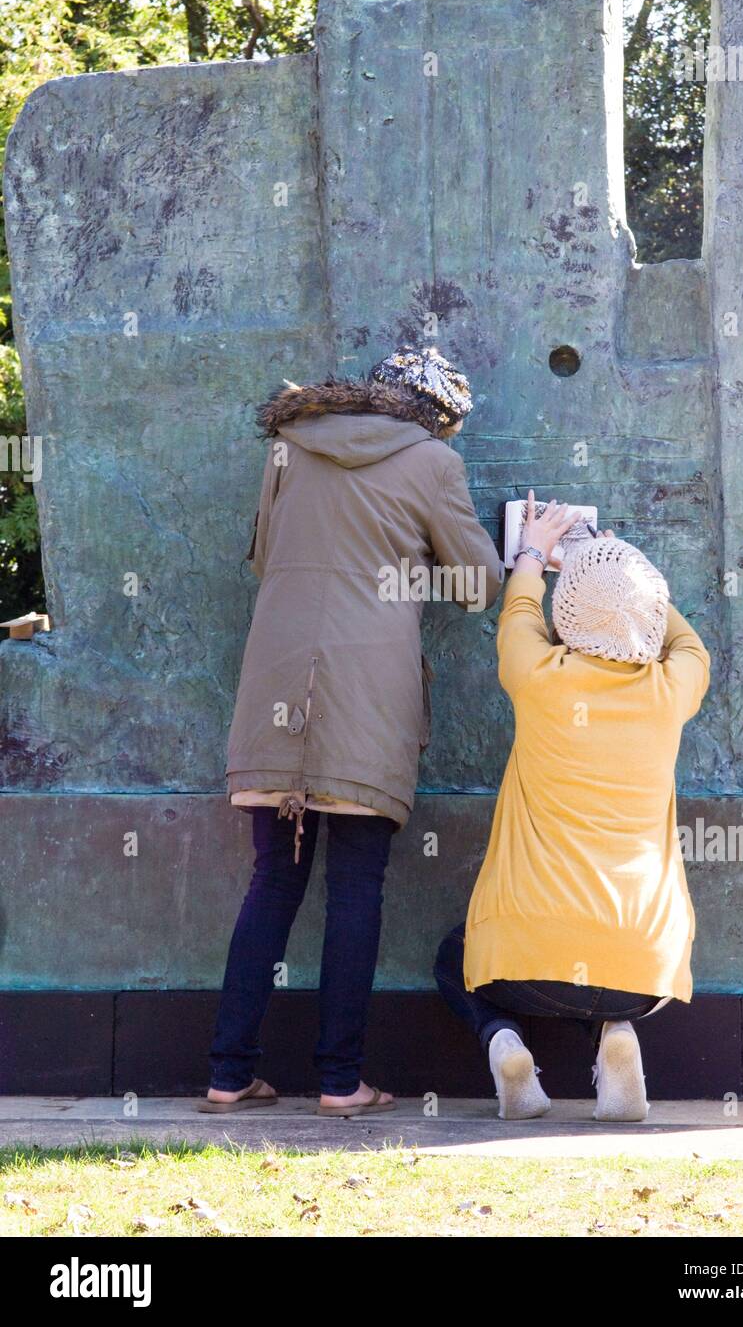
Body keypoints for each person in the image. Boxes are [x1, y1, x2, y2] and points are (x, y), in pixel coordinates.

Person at [201, 347, 504, 1115]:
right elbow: (476, 588)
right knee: (355, 889)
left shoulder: (289, 443)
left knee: (271, 880)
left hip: (275, 680)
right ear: (437, 416)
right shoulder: (433, 460)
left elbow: (265, 555)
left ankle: (228, 1073)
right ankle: (341, 1082)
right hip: (369, 692)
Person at [434, 492, 710, 1121]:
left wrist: (535, 550)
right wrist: (619, 570)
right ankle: (617, 1035)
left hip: (524, 965)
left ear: (568, 616)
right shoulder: (673, 688)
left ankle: (505, 1044)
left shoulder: (537, 677)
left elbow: (521, 610)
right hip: (644, 971)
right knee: (608, 960)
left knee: (456, 957)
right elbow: (685, 638)